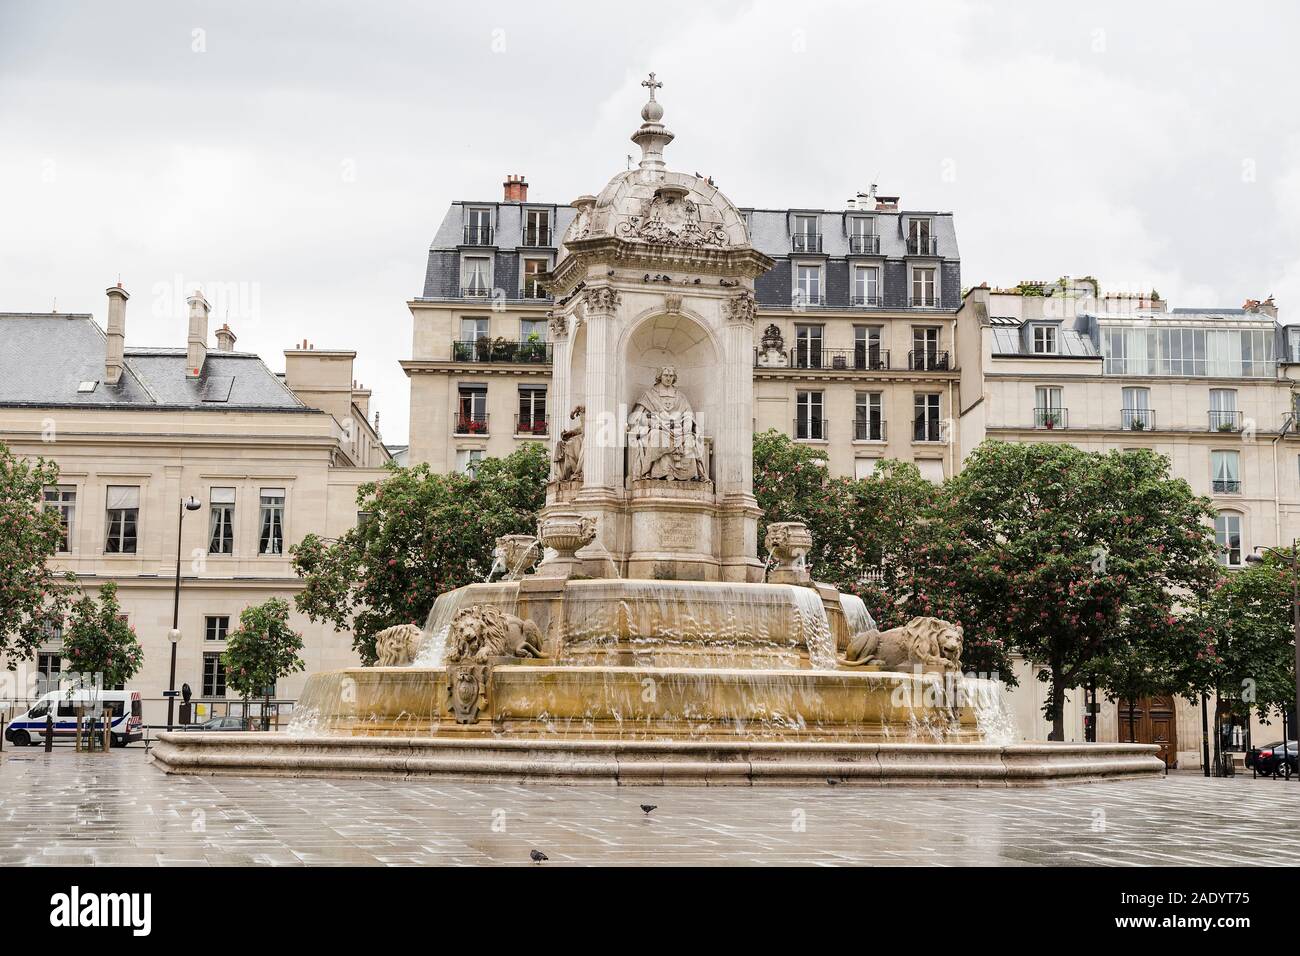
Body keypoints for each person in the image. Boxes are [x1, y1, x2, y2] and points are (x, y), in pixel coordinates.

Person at [627, 366, 706, 481]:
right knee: (656, 436)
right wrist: (652, 422)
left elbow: (688, 414)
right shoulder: (649, 395)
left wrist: (688, 424)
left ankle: (687, 475)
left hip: (678, 429)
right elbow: (637, 418)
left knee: (689, 439)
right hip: (658, 428)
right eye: (665, 375)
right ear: (660, 376)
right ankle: (655, 472)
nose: (668, 378)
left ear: (674, 378)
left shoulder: (680, 397)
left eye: (671, 376)